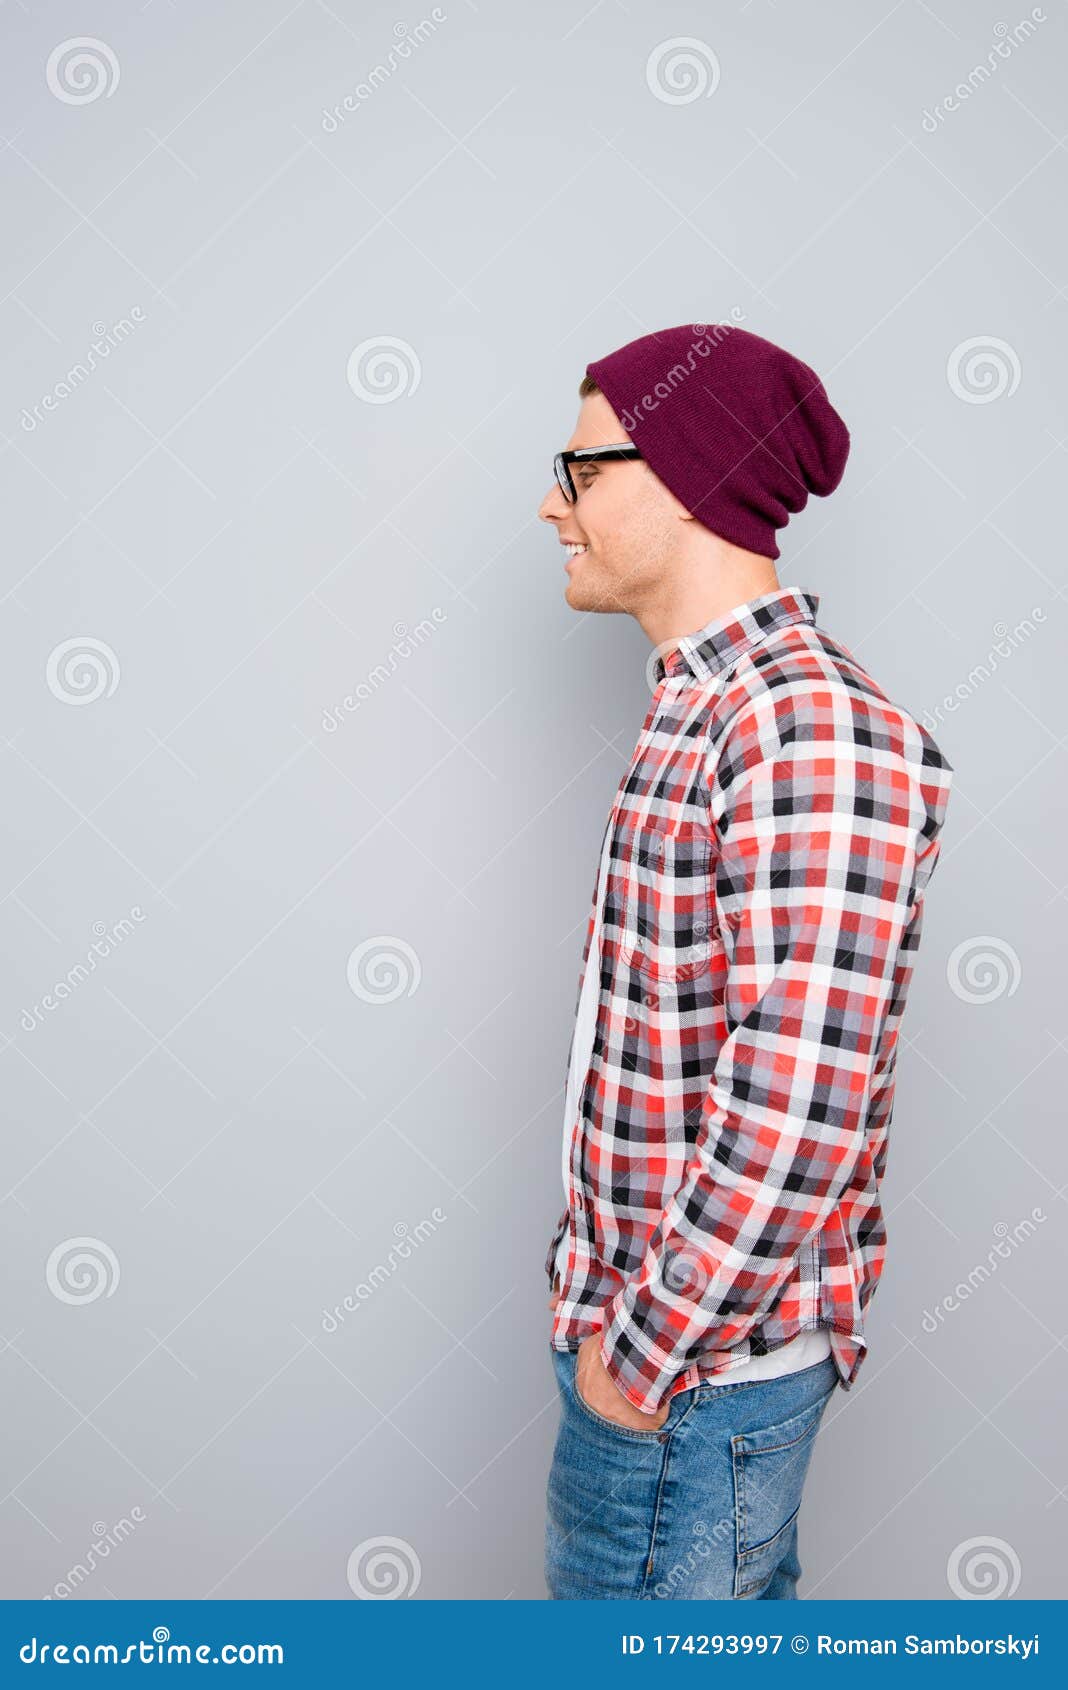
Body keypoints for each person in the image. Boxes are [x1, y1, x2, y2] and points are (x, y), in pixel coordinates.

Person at [537, 323, 954, 1601]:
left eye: (580, 469)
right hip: (660, 1360)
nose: (550, 504)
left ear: (685, 476)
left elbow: (796, 1114)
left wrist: (636, 1363)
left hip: (689, 1381)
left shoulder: (807, 727)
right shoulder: (705, 706)